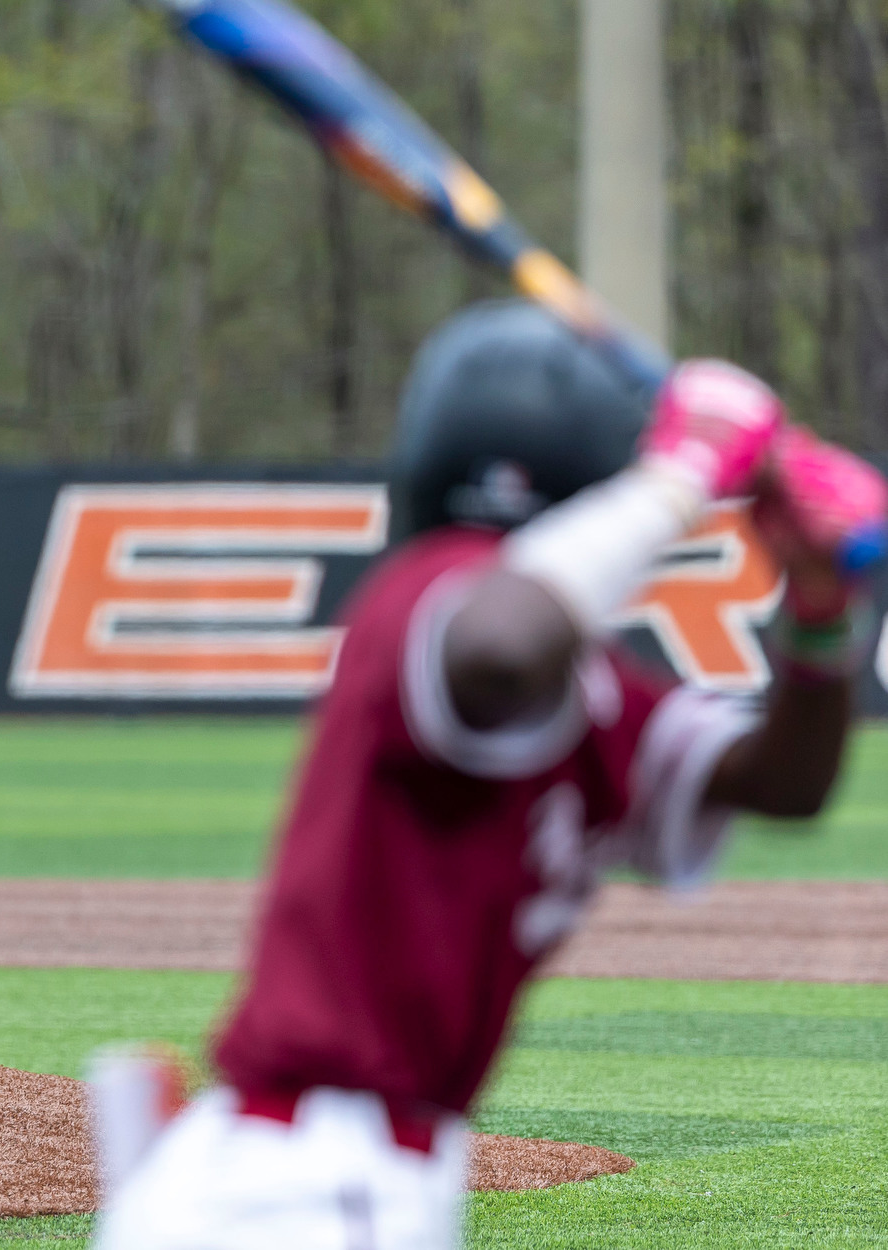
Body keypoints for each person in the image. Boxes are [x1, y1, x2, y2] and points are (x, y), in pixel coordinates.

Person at [92, 301, 884, 1249]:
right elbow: (501, 648)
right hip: (305, 1188)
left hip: (330, 1181)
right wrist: (682, 476)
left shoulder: (587, 694)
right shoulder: (431, 598)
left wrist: (819, 602)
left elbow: (781, 784)